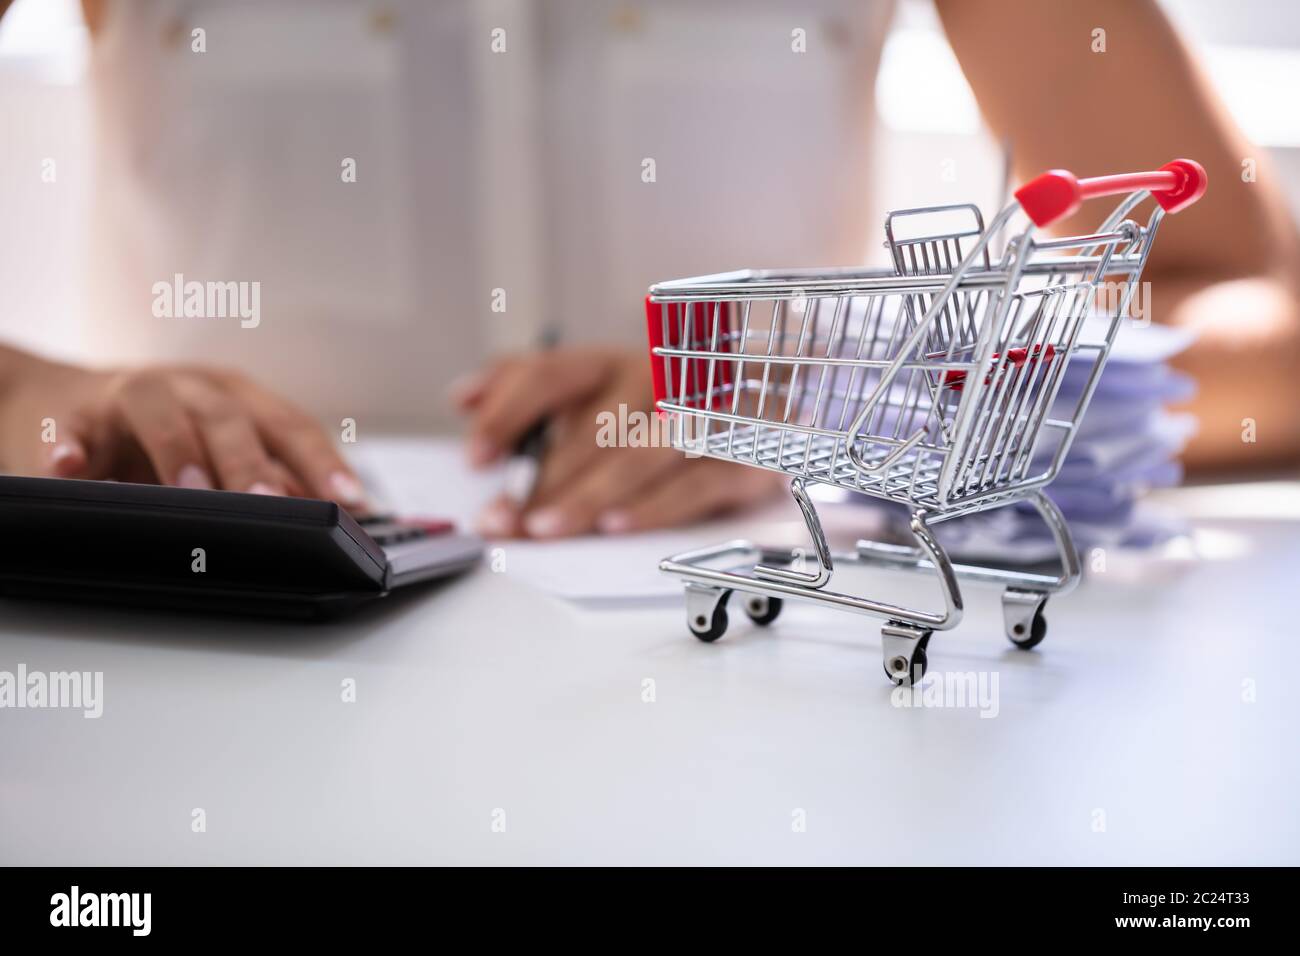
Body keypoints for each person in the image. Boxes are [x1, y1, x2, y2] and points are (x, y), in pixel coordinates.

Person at [0, 0, 1296, 538]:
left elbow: (1268, 330)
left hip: (759, 709)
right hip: (204, 670)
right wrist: (42, 413)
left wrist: (864, 396)